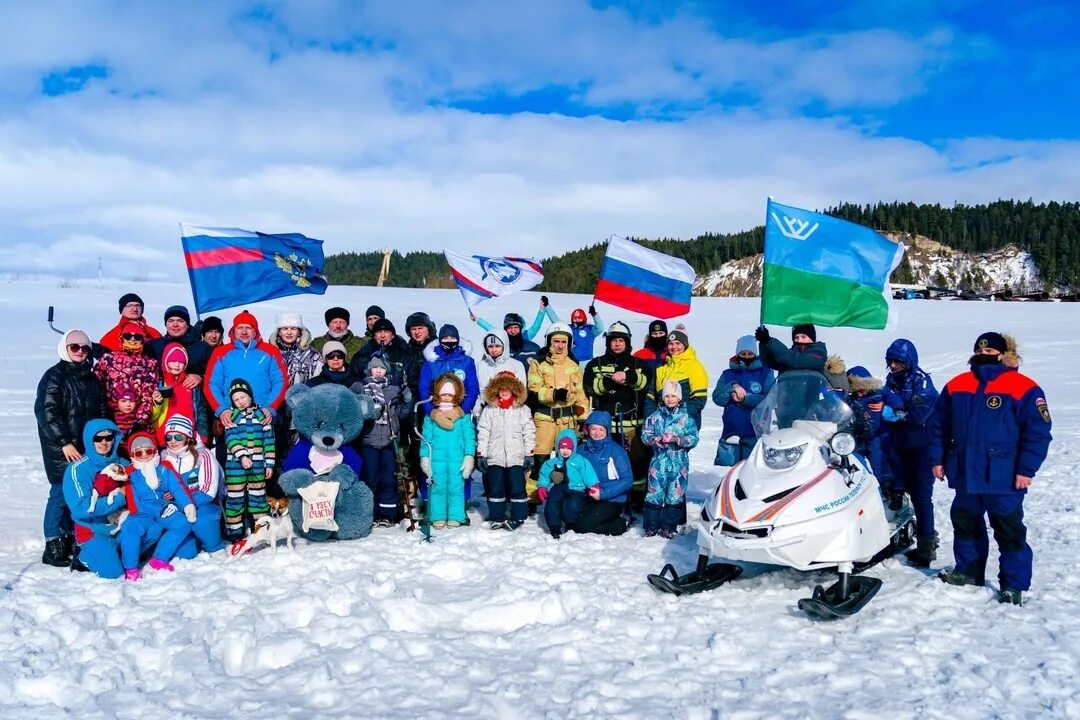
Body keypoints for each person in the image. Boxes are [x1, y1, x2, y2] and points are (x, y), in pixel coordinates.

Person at [931, 332, 1051, 606]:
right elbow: (938, 425)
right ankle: (969, 572)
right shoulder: (956, 385)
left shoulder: (1024, 387)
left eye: (989, 351)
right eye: (979, 351)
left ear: (1003, 353)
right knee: (965, 523)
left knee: (1009, 530)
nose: (983, 355)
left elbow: (1038, 432)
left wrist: (1026, 470)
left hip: (1004, 476)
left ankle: (1013, 584)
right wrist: (937, 459)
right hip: (965, 473)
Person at [35, 329, 108, 567]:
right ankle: (53, 542)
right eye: (74, 347)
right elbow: (47, 412)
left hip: (86, 447)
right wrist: (64, 442)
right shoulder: (54, 376)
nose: (79, 352)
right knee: (60, 493)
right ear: (64, 349)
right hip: (62, 448)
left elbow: (101, 410)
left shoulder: (91, 378)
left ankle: (69, 536)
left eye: (84, 348)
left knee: (80, 493)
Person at [883, 339, 941, 567]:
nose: (894, 365)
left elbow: (919, 415)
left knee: (921, 497)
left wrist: (896, 414)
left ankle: (927, 546)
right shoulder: (890, 381)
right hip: (897, 445)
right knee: (893, 489)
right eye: (891, 361)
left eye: (898, 361)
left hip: (921, 447)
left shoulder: (922, 382)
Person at [583, 321, 653, 503]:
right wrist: (609, 381)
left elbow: (646, 386)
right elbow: (590, 388)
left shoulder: (639, 364)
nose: (617, 344)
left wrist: (629, 377)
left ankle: (636, 499)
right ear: (608, 342)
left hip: (632, 426)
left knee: (635, 464)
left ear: (628, 342)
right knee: (603, 463)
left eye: (621, 340)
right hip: (604, 428)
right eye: (614, 340)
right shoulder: (595, 364)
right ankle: (606, 496)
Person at [118, 432, 196, 580]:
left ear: (154, 450)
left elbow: (177, 487)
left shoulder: (164, 468)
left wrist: (187, 505)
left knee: (183, 523)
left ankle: (159, 559)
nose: (145, 455)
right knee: (130, 530)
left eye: (148, 451)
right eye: (139, 452)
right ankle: (131, 568)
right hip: (141, 513)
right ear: (133, 455)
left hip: (163, 509)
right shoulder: (129, 473)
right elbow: (111, 481)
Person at [526, 323, 590, 496]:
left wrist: (583, 416)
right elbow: (533, 389)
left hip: (567, 420)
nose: (560, 345)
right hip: (545, 418)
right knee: (540, 459)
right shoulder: (538, 363)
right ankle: (533, 497)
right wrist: (554, 394)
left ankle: (568, 494)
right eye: (556, 341)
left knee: (568, 459)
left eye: (563, 341)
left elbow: (580, 392)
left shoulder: (574, 364)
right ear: (549, 342)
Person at [62, 419, 128, 577]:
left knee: (153, 531)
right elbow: (81, 508)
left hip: (121, 524)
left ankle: (114, 551)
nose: (104, 443)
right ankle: (82, 557)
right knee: (113, 573)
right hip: (93, 529)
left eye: (108, 438)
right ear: (89, 440)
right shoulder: (78, 468)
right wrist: (120, 498)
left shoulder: (122, 463)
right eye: (98, 438)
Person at [204, 310, 288, 430]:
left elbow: (281, 381)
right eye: (240, 328)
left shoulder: (270, 351)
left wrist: (270, 407)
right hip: (231, 418)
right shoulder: (220, 353)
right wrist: (222, 409)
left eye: (248, 327)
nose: (244, 332)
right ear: (234, 330)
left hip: (263, 417)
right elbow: (211, 384)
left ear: (255, 331)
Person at [353, 356, 412, 526]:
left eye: (382, 368)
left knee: (388, 478)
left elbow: (402, 414)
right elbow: (354, 409)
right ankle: (370, 512)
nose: (378, 371)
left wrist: (407, 399)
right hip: (368, 440)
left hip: (389, 439)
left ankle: (387, 513)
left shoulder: (393, 389)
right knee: (370, 478)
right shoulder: (361, 388)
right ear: (369, 370)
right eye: (375, 367)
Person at [159, 414, 226, 557]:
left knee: (202, 520)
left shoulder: (203, 456)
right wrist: (166, 495)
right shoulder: (164, 459)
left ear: (188, 437)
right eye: (169, 438)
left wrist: (181, 503)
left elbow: (208, 492)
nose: (173, 441)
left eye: (178, 437)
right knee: (184, 554)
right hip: (178, 508)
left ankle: (216, 549)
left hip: (204, 505)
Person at [476, 373, 535, 530]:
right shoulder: (489, 410)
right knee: (496, 488)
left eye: (507, 388)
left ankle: (518, 516)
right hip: (495, 456)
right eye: (500, 388)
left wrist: (529, 453)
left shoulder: (523, 410)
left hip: (516, 456)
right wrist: (482, 454)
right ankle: (497, 517)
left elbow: (529, 432)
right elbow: (483, 432)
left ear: (514, 390)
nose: (504, 392)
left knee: (517, 488)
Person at [641, 380, 699, 537]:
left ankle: (669, 527)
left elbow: (694, 438)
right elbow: (645, 433)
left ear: (679, 398)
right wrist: (654, 439)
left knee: (674, 496)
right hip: (658, 462)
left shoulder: (686, 418)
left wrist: (677, 439)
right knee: (654, 495)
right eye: (667, 396)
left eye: (673, 396)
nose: (670, 399)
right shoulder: (655, 417)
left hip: (678, 464)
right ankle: (651, 526)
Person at [221, 379, 276, 541]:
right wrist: (242, 456)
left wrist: (270, 464)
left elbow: (269, 441)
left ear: (250, 396)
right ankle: (234, 530)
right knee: (235, 497)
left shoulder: (262, 416)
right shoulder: (232, 416)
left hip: (258, 465)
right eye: (236, 399)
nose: (240, 402)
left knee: (258, 497)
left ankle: (260, 530)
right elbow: (231, 438)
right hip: (235, 466)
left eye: (243, 397)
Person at [418, 374, 475, 528]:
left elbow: (469, 438)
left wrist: (469, 457)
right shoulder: (431, 417)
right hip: (437, 459)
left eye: (450, 394)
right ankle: (437, 516)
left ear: (456, 395)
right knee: (438, 488)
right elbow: (426, 440)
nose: (447, 398)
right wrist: (425, 458)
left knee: (456, 488)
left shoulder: (463, 417)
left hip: (457, 459)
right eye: (443, 394)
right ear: (437, 394)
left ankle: (456, 516)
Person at [712, 335, 774, 465]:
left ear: (755, 354)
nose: (746, 356)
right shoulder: (727, 374)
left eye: (750, 353)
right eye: (743, 353)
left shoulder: (765, 373)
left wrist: (744, 399)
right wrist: (731, 387)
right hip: (731, 432)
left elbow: (770, 399)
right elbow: (717, 398)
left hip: (755, 433)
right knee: (726, 473)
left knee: (752, 472)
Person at [844, 366, 902, 498]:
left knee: (879, 459)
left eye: (861, 389)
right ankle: (859, 488)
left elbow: (896, 402)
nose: (859, 393)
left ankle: (886, 485)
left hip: (876, 435)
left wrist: (891, 408)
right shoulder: (850, 398)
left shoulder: (881, 393)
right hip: (857, 436)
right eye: (855, 390)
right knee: (855, 463)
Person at [94, 319, 159, 432]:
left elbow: (148, 395)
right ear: (122, 338)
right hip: (110, 417)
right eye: (128, 336)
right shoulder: (108, 359)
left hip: (135, 420)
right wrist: (103, 414)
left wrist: (140, 420)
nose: (132, 339)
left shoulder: (149, 364)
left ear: (143, 340)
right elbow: (95, 385)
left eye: (137, 337)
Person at [575, 411, 633, 536]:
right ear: (587, 430)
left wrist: (603, 493)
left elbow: (627, 480)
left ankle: (621, 523)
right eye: (593, 429)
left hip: (612, 499)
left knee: (583, 526)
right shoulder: (581, 450)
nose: (597, 433)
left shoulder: (616, 451)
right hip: (588, 497)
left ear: (607, 431)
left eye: (601, 429)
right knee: (571, 520)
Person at [536, 431, 599, 539]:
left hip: (577, 488)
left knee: (572, 505)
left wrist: (593, 485)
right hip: (559, 487)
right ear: (557, 447)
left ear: (574, 447)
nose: (565, 451)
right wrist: (542, 486)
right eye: (562, 448)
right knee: (552, 504)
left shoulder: (580, 461)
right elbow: (544, 473)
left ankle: (571, 524)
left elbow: (588, 474)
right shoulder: (553, 462)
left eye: (569, 448)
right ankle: (554, 528)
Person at [647, 328, 708, 430]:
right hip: (660, 425)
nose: (674, 347)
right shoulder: (661, 367)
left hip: (684, 427)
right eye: (671, 343)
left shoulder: (694, 366)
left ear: (685, 345)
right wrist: (650, 418)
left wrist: (676, 417)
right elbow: (650, 398)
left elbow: (699, 400)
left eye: (678, 343)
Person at [150, 343, 209, 446]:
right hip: (163, 437)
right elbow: (152, 416)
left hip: (188, 435)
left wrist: (203, 436)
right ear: (166, 362)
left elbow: (200, 411)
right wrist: (157, 402)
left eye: (180, 362)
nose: (177, 365)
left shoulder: (191, 383)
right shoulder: (159, 383)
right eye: (172, 361)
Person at [418, 324, 480, 414]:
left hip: (460, 411)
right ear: (440, 340)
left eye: (453, 338)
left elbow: (472, 388)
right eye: (445, 338)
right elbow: (423, 388)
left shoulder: (467, 361)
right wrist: (430, 411)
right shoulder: (431, 361)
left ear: (458, 340)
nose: (449, 341)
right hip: (436, 411)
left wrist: (463, 410)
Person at [351, 318, 420, 393]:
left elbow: (414, 382)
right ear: (374, 336)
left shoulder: (405, 355)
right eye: (379, 332)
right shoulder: (363, 355)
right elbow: (354, 379)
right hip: (368, 400)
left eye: (386, 332)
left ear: (393, 335)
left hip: (398, 400)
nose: (382, 335)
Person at [469, 299, 547, 364]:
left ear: (520, 328)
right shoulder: (502, 337)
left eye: (516, 327)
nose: (513, 331)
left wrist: (542, 310)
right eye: (510, 328)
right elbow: (490, 328)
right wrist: (477, 319)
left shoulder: (526, 336)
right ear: (505, 329)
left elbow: (536, 326)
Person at [145, 305, 212, 379]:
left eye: (180, 321)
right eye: (171, 321)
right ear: (166, 324)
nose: (175, 325)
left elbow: (213, 375)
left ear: (187, 325)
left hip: (192, 389)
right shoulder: (153, 347)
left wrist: (200, 377)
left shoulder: (203, 348)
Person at [474, 330, 527, 415]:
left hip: (510, 413)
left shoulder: (516, 365)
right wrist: (477, 409)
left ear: (504, 346)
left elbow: (520, 390)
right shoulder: (480, 366)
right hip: (485, 413)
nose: (494, 350)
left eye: (497, 346)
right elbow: (476, 391)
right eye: (490, 346)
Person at [270, 311, 324, 387]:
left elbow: (318, 382)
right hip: (275, 397)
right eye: (285, 329)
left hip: (302, 398)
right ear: (279, 332)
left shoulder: (313, 355)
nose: (289, 332)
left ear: (299, 332)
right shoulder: (269, 354)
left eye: (293, 328)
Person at [754, 323, 828, 374]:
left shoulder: (819, 354)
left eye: (803, 337)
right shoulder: (789, 355)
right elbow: (769, 363)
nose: (799, 340)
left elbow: (797, 361)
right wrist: (764, 343)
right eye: (796, 337)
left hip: (809, 396)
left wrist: (769, 341)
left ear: (812, 338)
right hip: (787, 395)